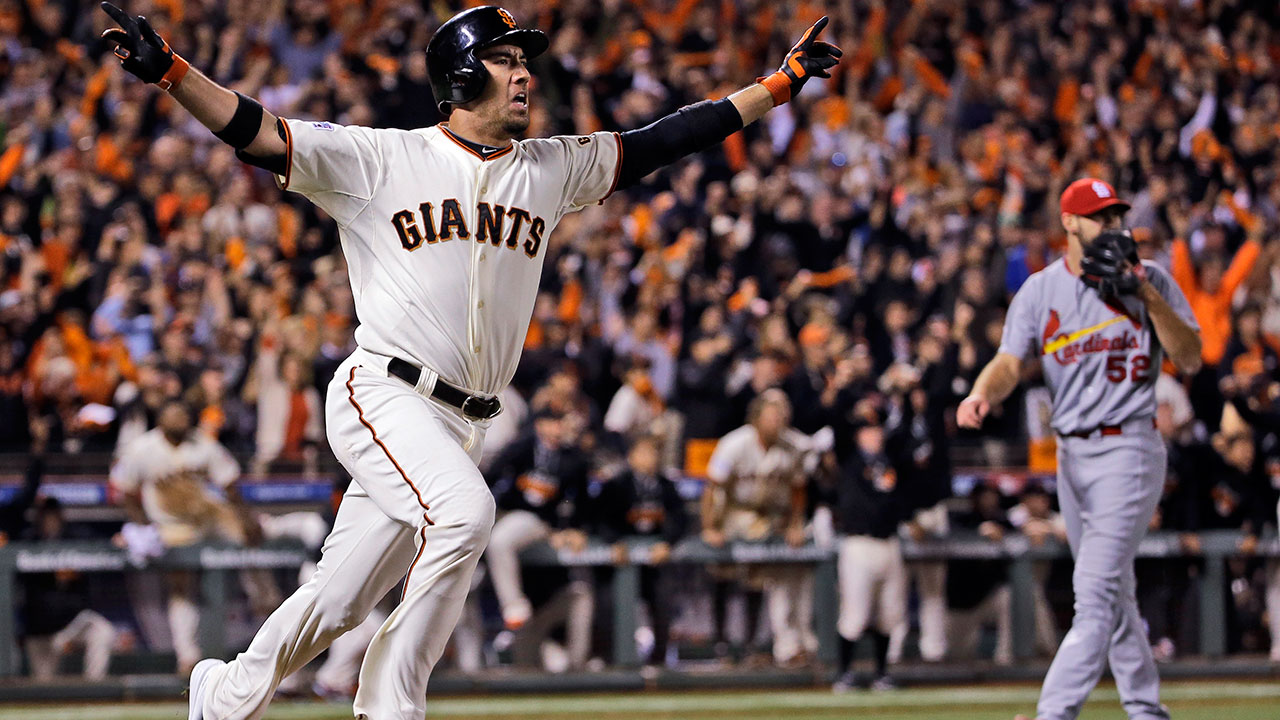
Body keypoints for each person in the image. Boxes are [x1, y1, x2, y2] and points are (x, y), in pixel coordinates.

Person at [97, 4, 840, 718]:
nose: (523, 75)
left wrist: (780, 83)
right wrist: (171, 71)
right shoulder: (382, 157)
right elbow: (258, 131)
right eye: (505, 59)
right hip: (384, 391)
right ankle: (390, 707)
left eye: (525, 62)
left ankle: (223, 697)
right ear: (460, 74)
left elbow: (669, 138)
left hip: (461, 422)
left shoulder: (549, 168)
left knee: (341, 598)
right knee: (465, 514)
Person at [958, 177, 1201, 720]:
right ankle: (1144, 707)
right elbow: (1007, 362)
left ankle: (1054, 713)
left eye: (1117, 217)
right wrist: (980, 392)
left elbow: (1190, 357)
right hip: (1070, 456)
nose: (1113, 227)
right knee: (1115, 590)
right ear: (1069, 222)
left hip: (1129, 447)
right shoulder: (1042, 290)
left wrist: (1148, 295)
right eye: (1100, 217)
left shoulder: (1150, 278)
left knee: (1092, 592)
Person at [109, 400, 255, 675]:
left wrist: (247, 521)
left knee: (258, 549)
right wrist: (142, 526)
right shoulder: (143, 449)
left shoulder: (203, 444)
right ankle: (187, 657)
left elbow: (230, 483)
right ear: (159, 419)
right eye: (171, 413)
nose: (177, 417)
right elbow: (125, 489)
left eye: (182, 413)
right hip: (170, 526)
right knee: (181, 586)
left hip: (210, 518)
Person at [703, 389, 816, 667]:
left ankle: (756, 644)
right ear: (756, 419)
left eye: (781, 416)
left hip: (769, 516)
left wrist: (795, 524)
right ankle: (721, 643)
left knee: (761, 578)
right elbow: (712, 488)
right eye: (771, 416)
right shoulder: (734, 443)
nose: (777, 421)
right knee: (722, 574)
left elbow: (798, 489)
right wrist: (710, 526)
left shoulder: (793, 445)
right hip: (733, 512)